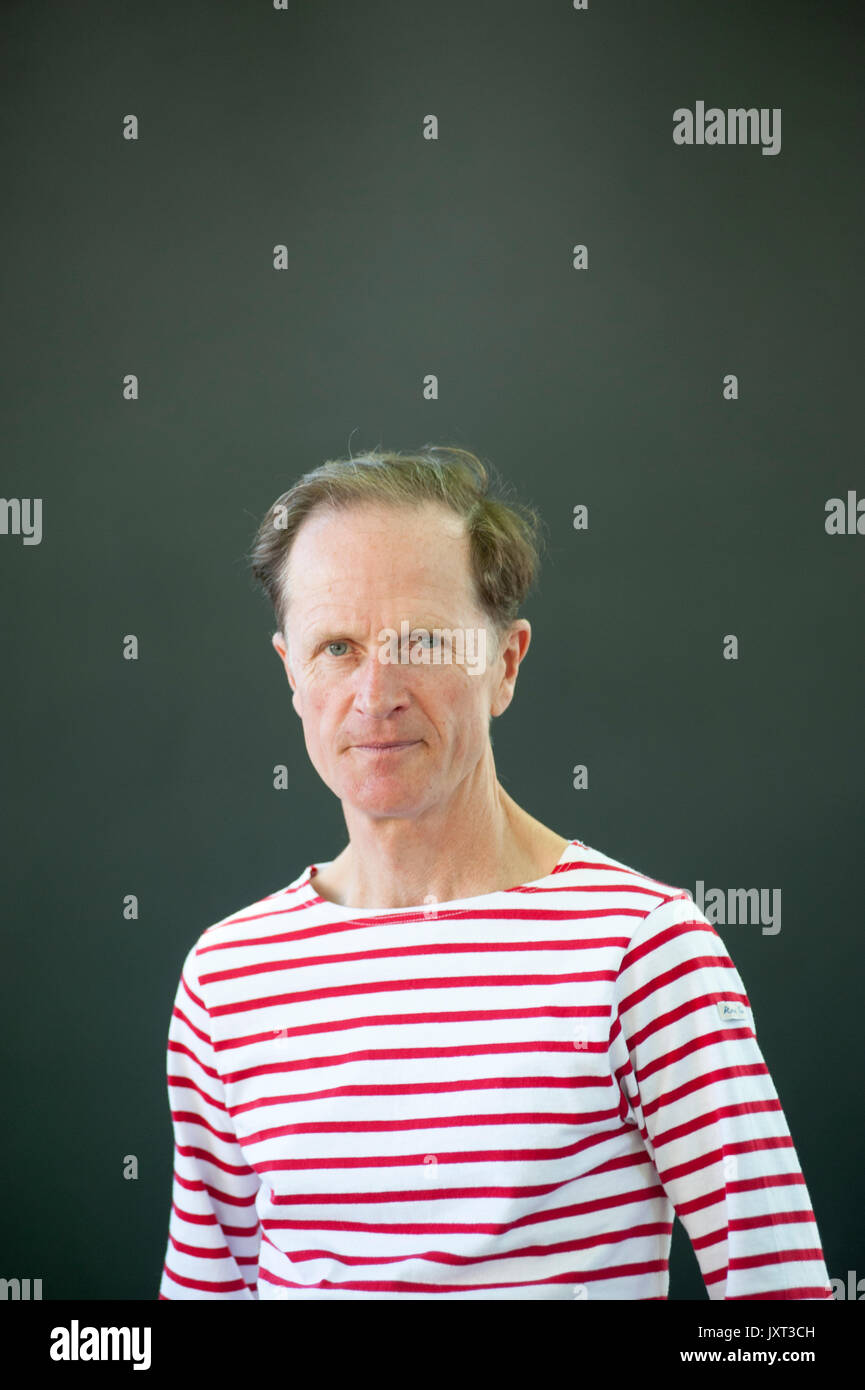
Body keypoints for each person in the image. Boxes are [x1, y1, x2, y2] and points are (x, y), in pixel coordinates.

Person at [158, 445, 832, 1300]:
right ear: (290, 671)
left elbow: (783, 1317)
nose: (374, 694)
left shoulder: (642, 953)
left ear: (504, 665)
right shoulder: (227, 978)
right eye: (337, 647)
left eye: (424, 641)